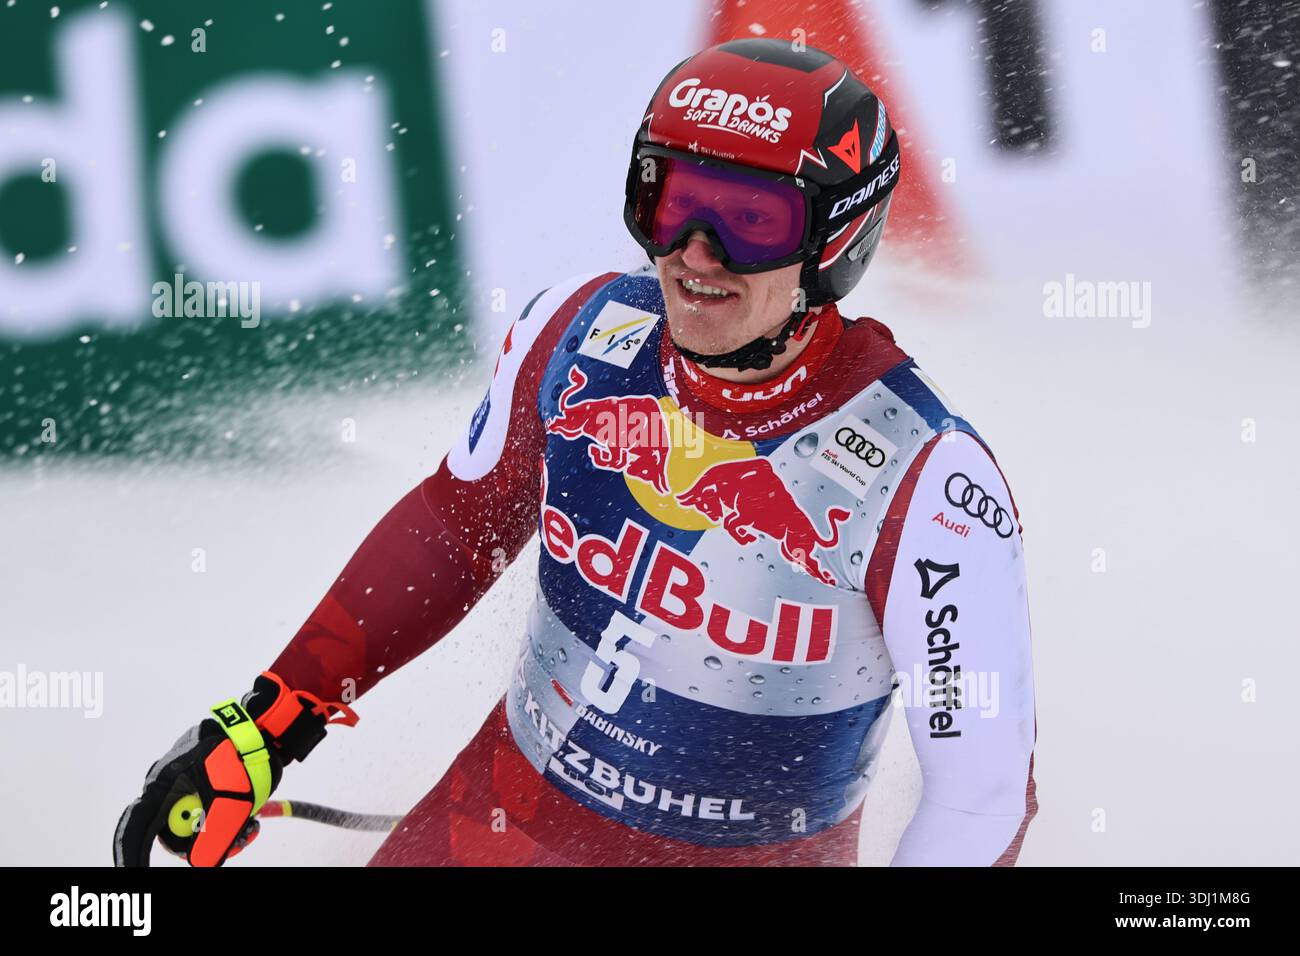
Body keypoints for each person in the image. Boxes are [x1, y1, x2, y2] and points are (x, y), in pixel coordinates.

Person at [115, 37, 1037, 868]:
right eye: (671, 200)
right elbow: (456, 524)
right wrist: (273, 721)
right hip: (497, 826)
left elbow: (980, 797)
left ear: (836, 241)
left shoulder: (928, 480)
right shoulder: (577, 329)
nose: (694, 255)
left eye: (751, 221)